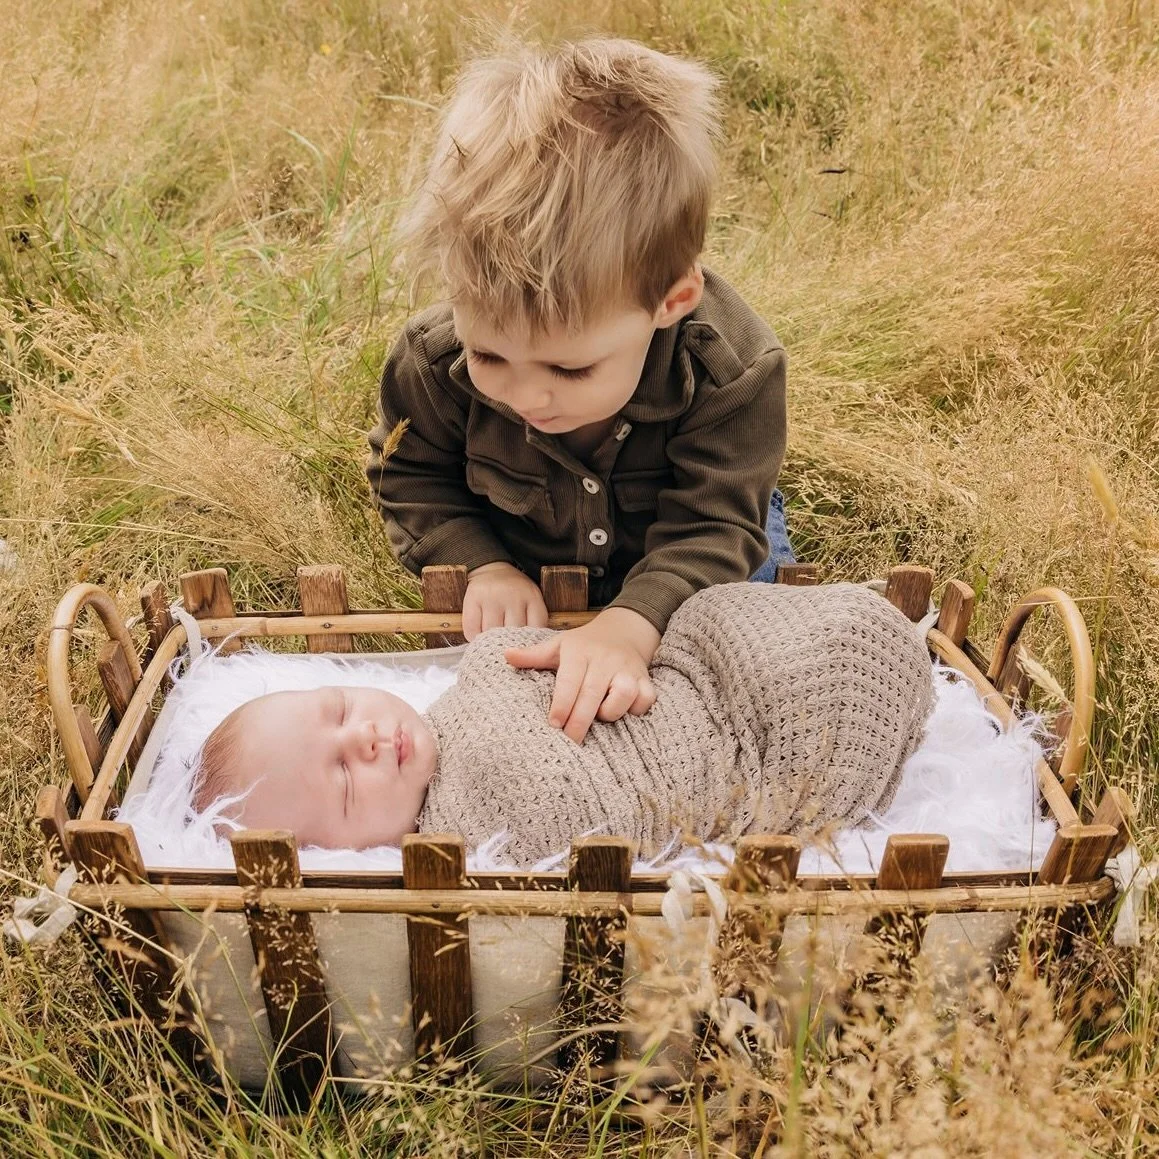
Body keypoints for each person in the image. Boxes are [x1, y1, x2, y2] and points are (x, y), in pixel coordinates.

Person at [367, 37, 794, 748]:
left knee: (742, 652)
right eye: (490, 353)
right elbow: (409, 473)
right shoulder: (432, 361)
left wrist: (630, 625)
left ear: (671, 299)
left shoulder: (730, 371)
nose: (525, 396)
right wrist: (484, 564)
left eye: (569, 370)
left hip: (689, 540)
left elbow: (714, 526)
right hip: (531, 549)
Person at [192, 583, 932, 868]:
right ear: (347, 856)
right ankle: (870, 666)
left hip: (696, 674)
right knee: (816, 709)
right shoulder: (468, 840)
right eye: (345, 782)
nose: (362, 739)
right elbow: (587, 821)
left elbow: (524, 658)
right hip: (739, 745)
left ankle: (862, 642)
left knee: (717, 617)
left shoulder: (454, 695)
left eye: (340, 709)